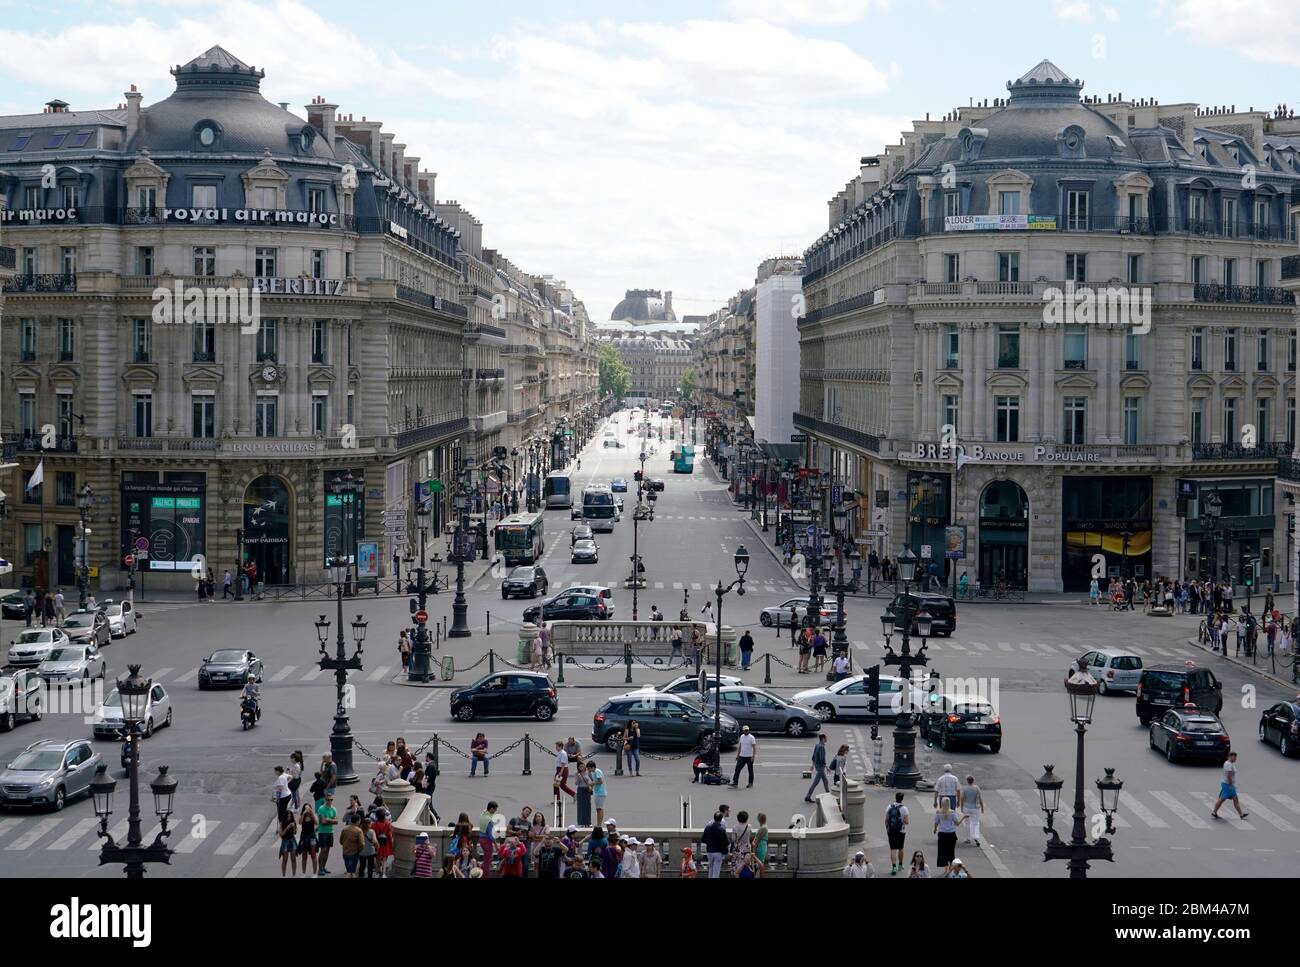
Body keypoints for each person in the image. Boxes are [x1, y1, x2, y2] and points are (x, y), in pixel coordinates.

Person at [1211, 751, 1248, 820]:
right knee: (1222, 799)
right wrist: (1231, 785)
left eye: (1236, 757)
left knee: (1235, 799)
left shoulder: (1229, 763)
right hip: (1228, 785)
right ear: (1230, 756)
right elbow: (1229, 776)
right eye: (1234, 757)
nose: (1236, 759)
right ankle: (1214, 811)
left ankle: (1241, 814)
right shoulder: (1229, 765)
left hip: (1228, 784)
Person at [934, 801, 962, 867]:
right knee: (951, 852)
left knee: (942, 851)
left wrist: (935, 829)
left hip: (942, 833)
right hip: (951, 834)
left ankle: (945, 865)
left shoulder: (938, 812)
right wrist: (963, 818)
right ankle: (951, 866)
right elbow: (957, 823)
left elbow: (936, 822)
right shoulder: (952, 812)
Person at [702, 812, 729, 879]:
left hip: (709, 851)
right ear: (721, 819)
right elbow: (726, 842)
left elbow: (703, 839)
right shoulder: (722, 830)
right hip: (718, 852)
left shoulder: (708, 827)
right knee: (716, 871)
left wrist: (709, 843)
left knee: (710, 869)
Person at [315, 793, 337, 875]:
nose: (330, 801)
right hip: (322, 832)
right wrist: (331, 820)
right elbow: (323, 822)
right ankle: (320, 868)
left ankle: (323, 867)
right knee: (323, 850)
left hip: (330, 832)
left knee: (327, 851)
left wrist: (328, 819)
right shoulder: (321, 809)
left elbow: (336, 821)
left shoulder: (334, 809)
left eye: (331, 800)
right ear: (325, 800)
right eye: (328, 800)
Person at [960, 774, 984, 847]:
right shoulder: (977, 788)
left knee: (966, 823)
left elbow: (962, 799)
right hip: (975, 808)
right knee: (975, 823)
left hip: (966, 808)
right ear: (973, 781)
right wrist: (982, 807)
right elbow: (980, 798)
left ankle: (968, 838)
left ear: (967, 781)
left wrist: (961, 808)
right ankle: (975, 837)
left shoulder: (965, 788)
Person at [338, 814, 365, 879]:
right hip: (354, 853)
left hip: (345, 852)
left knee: (350, 871)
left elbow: (341, 841)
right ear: (358, 821)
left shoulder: (344, 829)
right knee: (350, 872)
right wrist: (359, 850)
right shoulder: (359, 831)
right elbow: (362, 844)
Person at [805, 733, 830, 802]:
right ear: (823, 739)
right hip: (820, 767)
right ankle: (808, 796)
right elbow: (822, 759)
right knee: (815, 782)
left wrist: (812, 765)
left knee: (825, 781)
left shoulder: (817, 745)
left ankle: (828, 794)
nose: (827, 739)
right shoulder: (822, 747)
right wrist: (826, 767)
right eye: (826, 738)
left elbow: (813, 756)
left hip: (817, 766)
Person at [296, 803, 318, 876]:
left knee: (313, 856)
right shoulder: (302, 816)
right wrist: (304, 813)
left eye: (308, 808)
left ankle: (314, 873)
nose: (307, 810)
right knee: (304, 856)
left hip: (312, 837)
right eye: (306, 808)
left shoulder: (312, 816)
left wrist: (311, 813)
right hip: (304, 837)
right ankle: (303, 873)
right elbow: (300, 822)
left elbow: (316, 823)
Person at [372, 807, 394, 878]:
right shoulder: (387, 824)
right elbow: (390, 835)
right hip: (385, 843)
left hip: (377, 843)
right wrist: (391, 843)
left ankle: (377, 872)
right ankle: (384, 874)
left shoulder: (374, 824)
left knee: (377, 858)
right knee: (385, 859)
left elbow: (373, 834)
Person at [277, 810, 298, 876]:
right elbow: (281, 834)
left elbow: (295, 832)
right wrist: (287, 828)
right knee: (285, 859)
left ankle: (294, 875)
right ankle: (284, 875)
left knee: (293, 859)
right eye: (288, 816)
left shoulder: (293, 822)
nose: (289, 817)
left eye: (290, 816)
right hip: (285, 841)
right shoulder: (282, 823)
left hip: (292, 840)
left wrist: (294, 826)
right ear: (285, 817)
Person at [575, 760, 593, 825]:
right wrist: (579, 778)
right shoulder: (577, 774)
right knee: (581, 807)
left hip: (587, 790)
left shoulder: (588, 773)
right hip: (580, 790)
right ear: (578, 768)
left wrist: (591, 787)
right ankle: (581, 822)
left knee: (587, 806)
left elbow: (592, 782)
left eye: (583, 766)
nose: (582, 768)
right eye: (580, 767)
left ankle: (588, 822)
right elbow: (576, 783)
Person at [590, 758, 607, 825]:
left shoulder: (597, 771)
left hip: (600, 792)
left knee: (599, 809)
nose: (589, 770)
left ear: (593, 767)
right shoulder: (595, 772)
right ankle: (599, 824)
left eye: (589, 768)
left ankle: (599, 824)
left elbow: (600, 781)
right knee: (599, 809)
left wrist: (592, 784)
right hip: (599, 792)